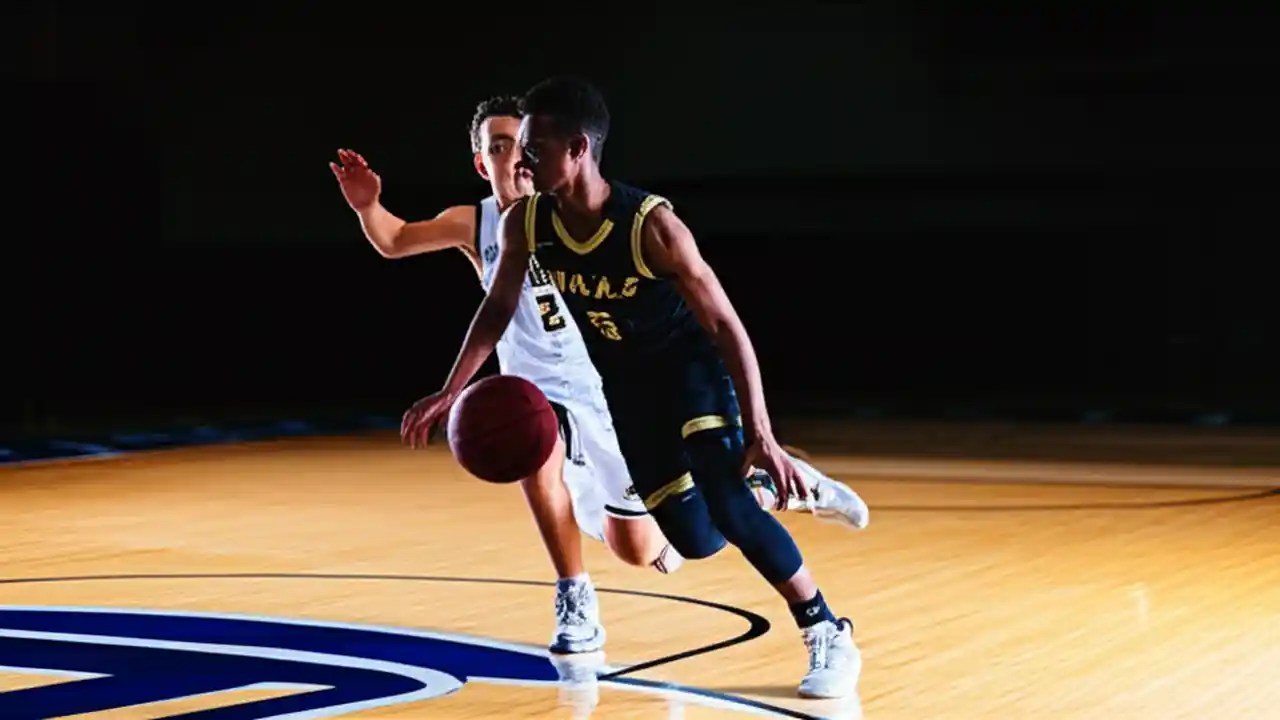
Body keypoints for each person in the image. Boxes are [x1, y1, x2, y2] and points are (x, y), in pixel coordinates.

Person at [399, 79, 863, 699]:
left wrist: (763, 433)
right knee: (692, 542)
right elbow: (497, 307)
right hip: (626, 389)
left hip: (690, 372)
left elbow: (726, 323)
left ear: (578, 149)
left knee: (724, 503)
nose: (523, 162)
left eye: (535, 148)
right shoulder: (526, 224)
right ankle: (770, 488)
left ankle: (826, 629)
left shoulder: (651, 225)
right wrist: (451, 390)